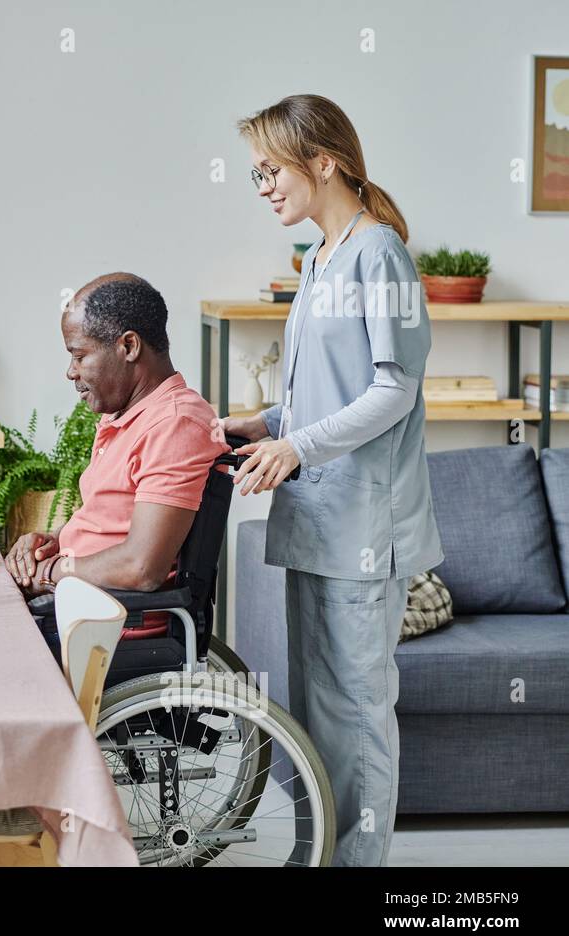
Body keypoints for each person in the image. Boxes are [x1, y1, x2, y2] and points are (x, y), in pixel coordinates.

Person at [221, 94, 443, 867]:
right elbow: (324, 389)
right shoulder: (317, 260)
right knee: (317, 710)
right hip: (316, 519)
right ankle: (325, 854)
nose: (264, 188)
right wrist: (268, 423)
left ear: (324, 160)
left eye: (271, 170)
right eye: (254, 176)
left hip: (361, 525)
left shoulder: (379, 253)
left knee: (357, 715)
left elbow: (393, 389)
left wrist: (299, 446)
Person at [5, 274, 228, 673]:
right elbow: (111, 524)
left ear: (128, 346)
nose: (71, 372)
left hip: (109, 630)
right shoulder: (126, 417)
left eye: (79, 355)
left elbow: (141, 567)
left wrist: (53, 573)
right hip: (80, 610)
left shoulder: (174, 425)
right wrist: (50, 544)